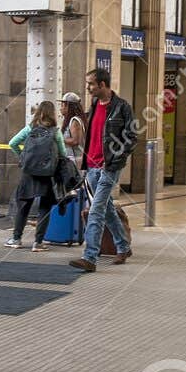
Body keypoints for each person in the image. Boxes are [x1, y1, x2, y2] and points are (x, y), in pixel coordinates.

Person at [70, 68, 136, 273]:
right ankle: (123, 246)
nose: (88, 87)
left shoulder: (122, 107)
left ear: (103, 85)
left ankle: (89, 257)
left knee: (96, 210)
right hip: (92, 167)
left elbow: (132, 138)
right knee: (106, 209)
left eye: (91, 84)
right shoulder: (94, 104)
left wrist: (115, 160)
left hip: (109, 168)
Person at [6, 100, 63, 250]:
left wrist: (23, 158)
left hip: (29, 172)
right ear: (52, 114)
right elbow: (63, 154)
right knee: (45, 207)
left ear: (38, 112)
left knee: (23, 205)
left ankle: (16, 239)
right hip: (46, 174)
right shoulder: (55, 132)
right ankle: (38, 242)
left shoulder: (30, 128)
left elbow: (12, 143)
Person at [59, 91, 86, 166]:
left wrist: (59, 138)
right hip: (70, 160)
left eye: (62, 105)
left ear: (68, 106)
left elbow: (75, 141)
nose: (60, 108)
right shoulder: (69, 121)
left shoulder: (74, 121)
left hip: (76, 160)